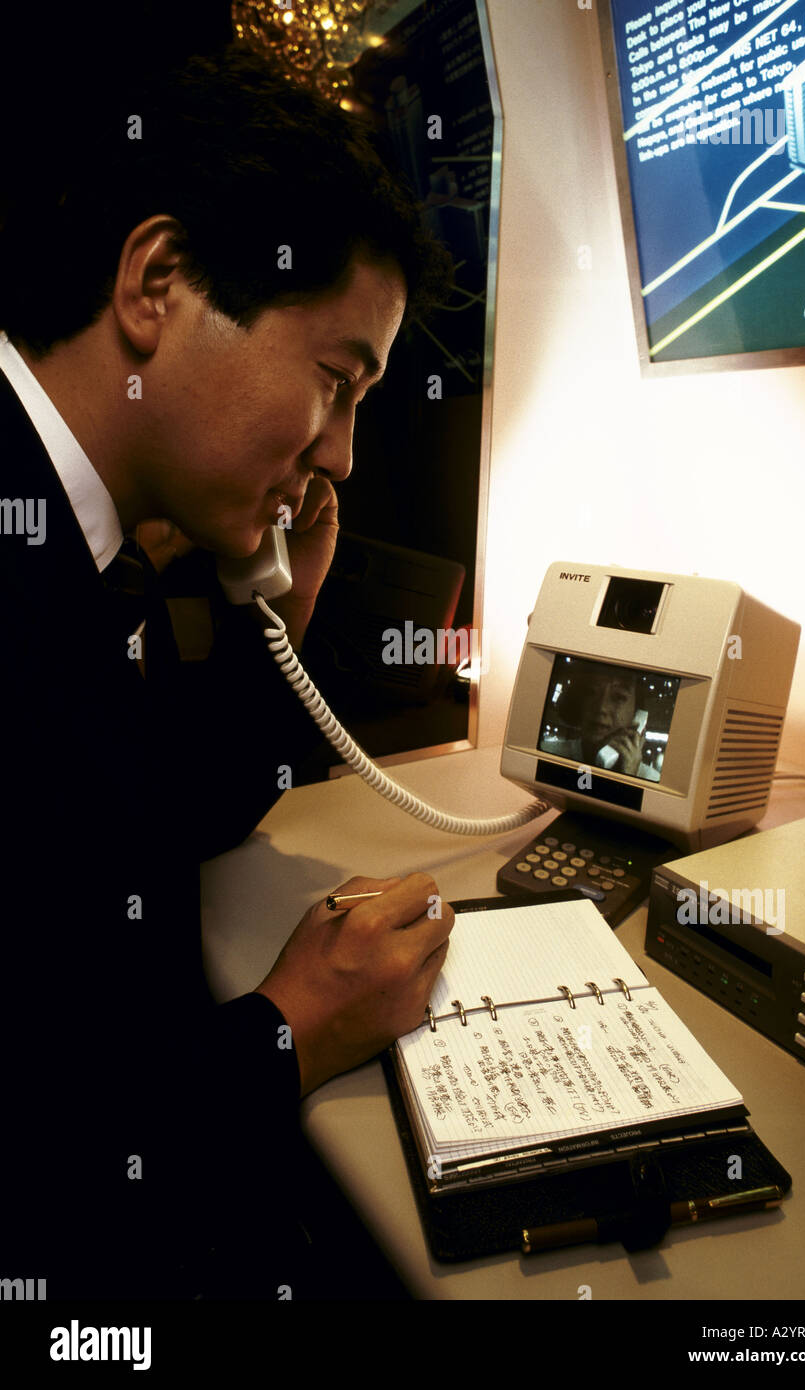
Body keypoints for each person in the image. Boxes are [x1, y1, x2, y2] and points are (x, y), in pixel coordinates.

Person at [0, 42, 454, 1299]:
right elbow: (39, 1165)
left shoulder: (75, 539)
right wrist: (284, 1033)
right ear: (160, 284)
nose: (347, 458)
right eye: (335, 381)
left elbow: (142, 818)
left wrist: (285, 611)